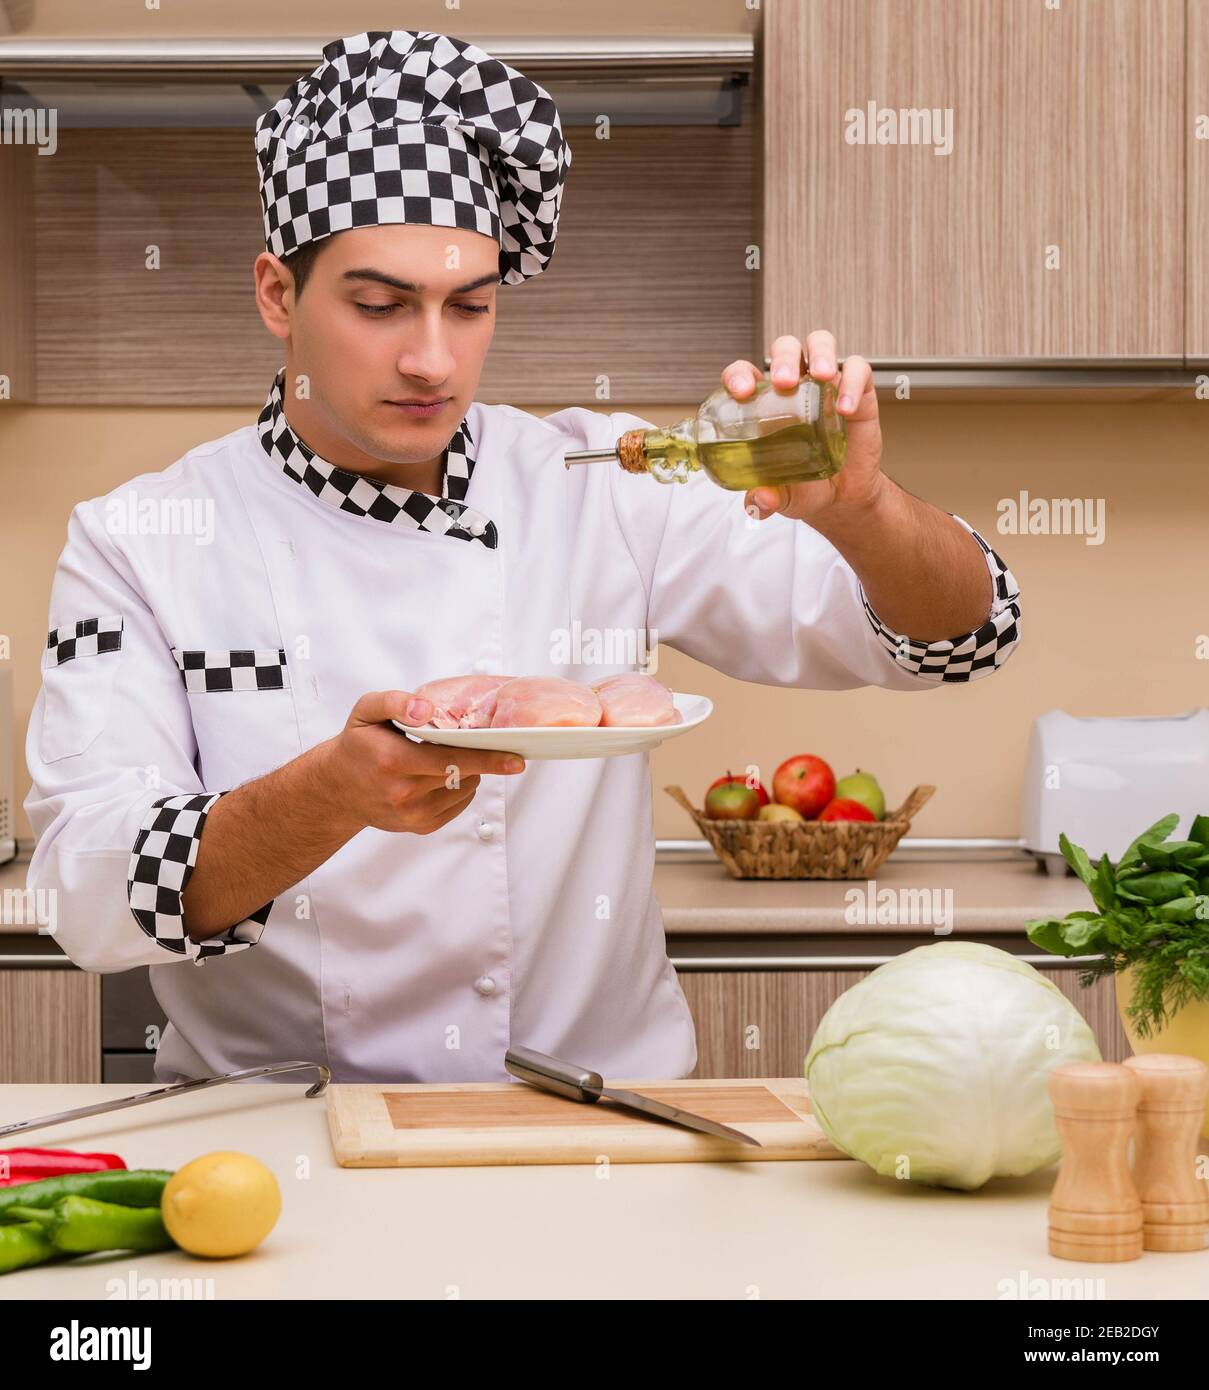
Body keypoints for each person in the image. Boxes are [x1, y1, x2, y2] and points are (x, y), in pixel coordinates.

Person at [24, 30, 1021, 1084]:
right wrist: (329, 792)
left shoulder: (601, 478)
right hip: (278, 1154)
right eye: (378, 305)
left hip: (596, 1135)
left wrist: (861, 509)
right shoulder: (141, 536)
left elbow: (957, 639)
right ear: (278, 293)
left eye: (471, 305)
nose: (431, 359)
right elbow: (85, 886)